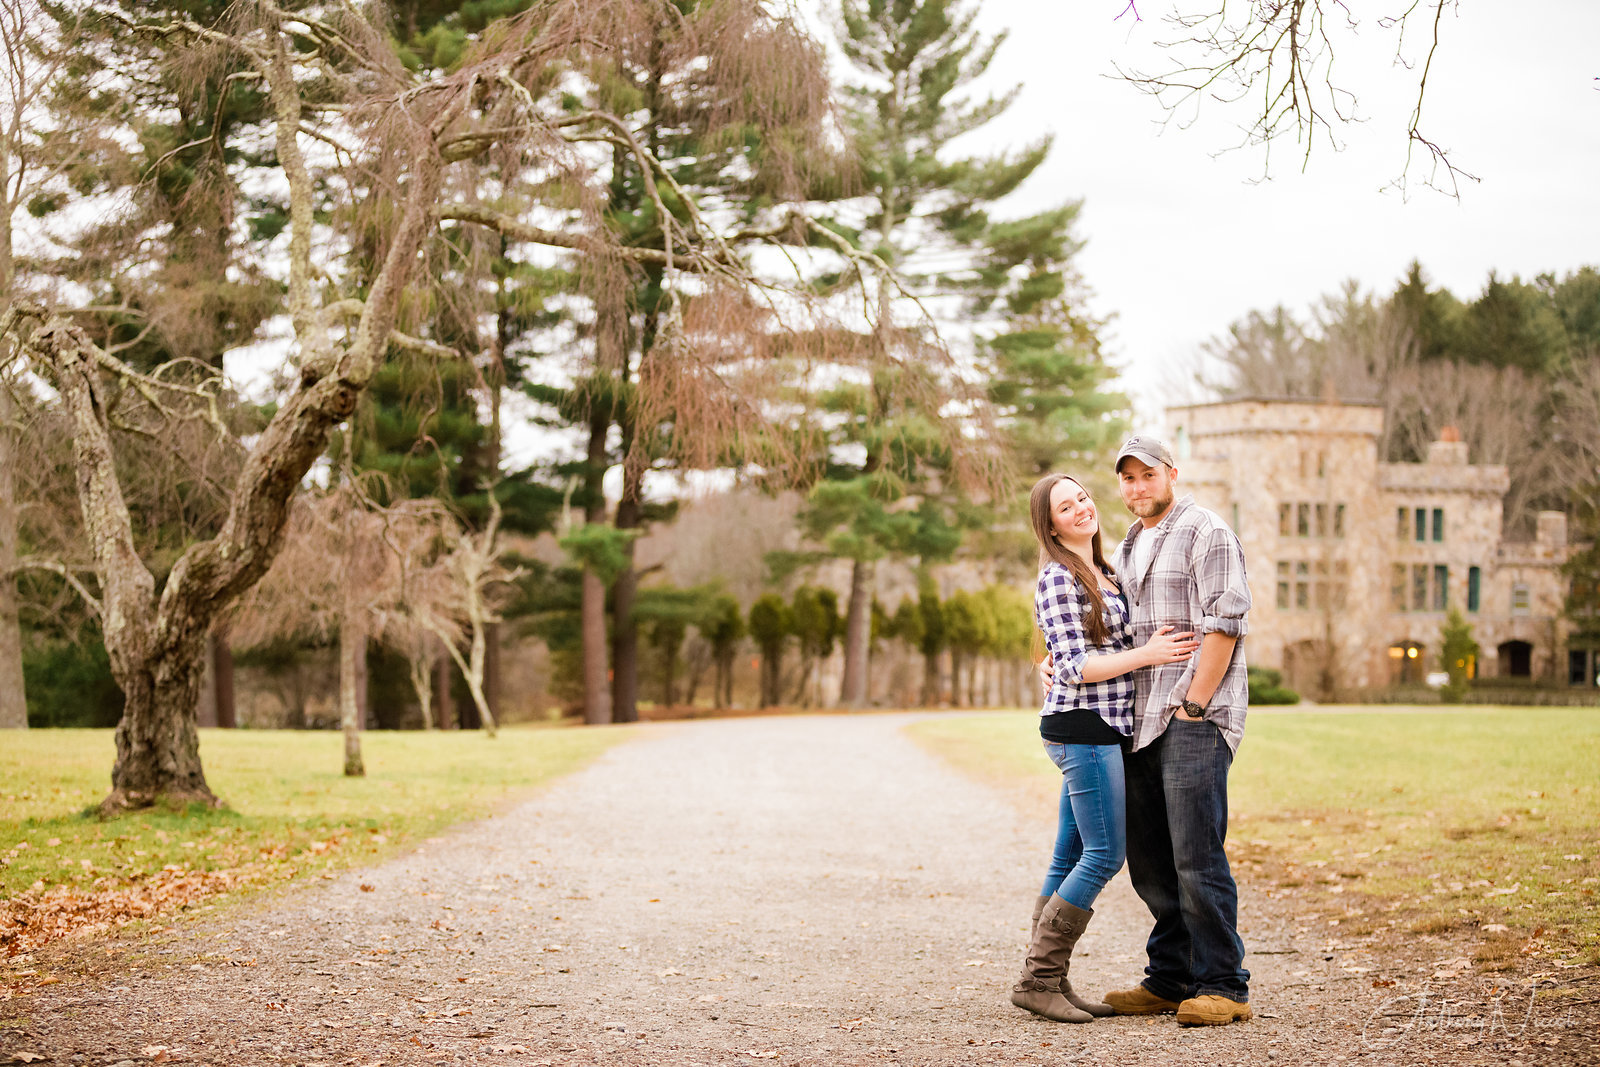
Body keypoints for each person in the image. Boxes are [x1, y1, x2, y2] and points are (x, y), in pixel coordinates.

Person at [1069, 434, 1254, 1027]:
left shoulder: (1207, 532)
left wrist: (1194, 706)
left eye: (1147, 475)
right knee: (1150, 860)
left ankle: (1224, 984)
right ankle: (1171, 978)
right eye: (1126, 478)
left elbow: (1224, 624)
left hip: (1191, 717)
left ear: (1171, 473)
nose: (1136, 487)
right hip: (1138, 719)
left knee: (1197, 856)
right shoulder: (1126, 545)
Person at [1012, 472, 1199, 1024]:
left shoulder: (1105, 569)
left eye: (1083, 498)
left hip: (1101, 728)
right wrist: (1150, 654)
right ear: (1049, 524)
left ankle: (1049, 980)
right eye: (1065, 506)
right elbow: (1073, 666)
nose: (1080, 509)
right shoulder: (1058, 578)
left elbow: (1055, 649)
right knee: (1103, 855)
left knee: (1068, 855)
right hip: (1083, 728)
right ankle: (1038, 978)